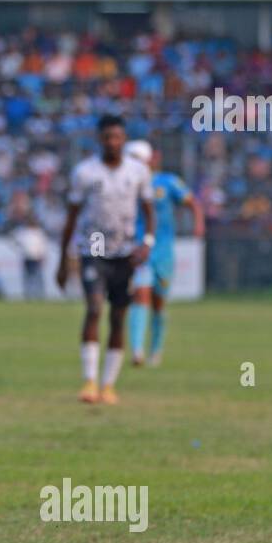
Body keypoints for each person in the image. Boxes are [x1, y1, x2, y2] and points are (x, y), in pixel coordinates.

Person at [56, 116, 154, 405]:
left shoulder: (138, 171)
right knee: (95, 308)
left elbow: (149, 212)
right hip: (94, 248)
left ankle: (108, 384)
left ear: (124, 139)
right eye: (108, 137)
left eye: (118, 137)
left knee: (118, 316)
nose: (113, 142)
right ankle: (89, 381)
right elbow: (72, 217)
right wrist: (63, 260)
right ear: (100, 139)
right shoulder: (85, 172)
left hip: (125, 252)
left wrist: (147, 242)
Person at [127, 143, 204, 366]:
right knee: (140, 293)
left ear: (152, 159)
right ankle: (137, 350)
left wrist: (198, 224)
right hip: (139, 249)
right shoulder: (127, 184)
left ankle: (156, 350)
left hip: (163, 251)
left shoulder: (167, 182)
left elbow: (192, 202)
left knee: (158, 302)